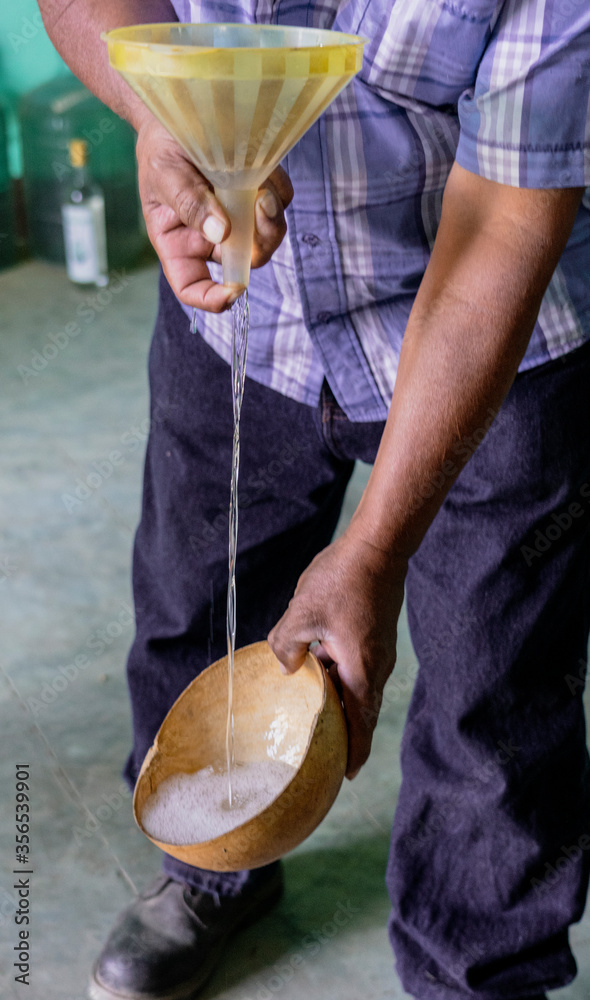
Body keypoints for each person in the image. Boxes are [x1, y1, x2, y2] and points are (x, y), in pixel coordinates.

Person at [40, 0, 590, 998]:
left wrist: (373, 550)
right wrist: (159, 112)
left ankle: (480, 972)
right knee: (194, 606)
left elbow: (504, 219)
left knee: (492, 690)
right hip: (244, 316)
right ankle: (213, 866)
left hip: (490, 335)